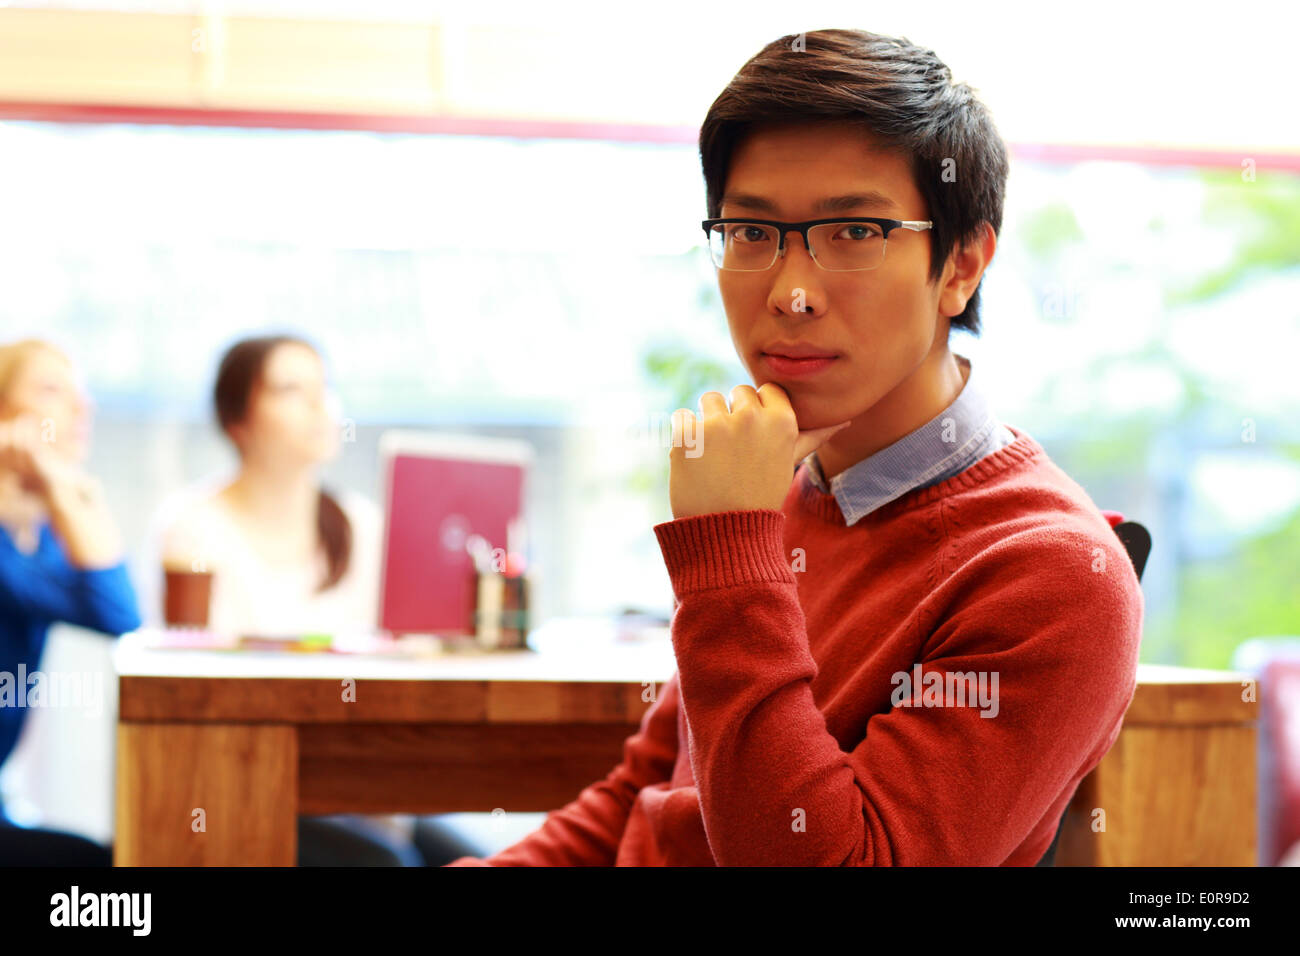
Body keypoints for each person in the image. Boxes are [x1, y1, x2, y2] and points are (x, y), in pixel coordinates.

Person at [444, 28, 1143, 866]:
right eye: (750, 233)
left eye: (853, 232)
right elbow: (644, 799)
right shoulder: (777, 488)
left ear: (962, 264)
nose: (791, 291)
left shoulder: (1054, 572)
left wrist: (731, 550)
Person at [154, 334, 426, 865]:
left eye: (325, 388)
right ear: (238, 419)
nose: (319, 405)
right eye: (289, 389)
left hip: (363, 783)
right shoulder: (192, 529)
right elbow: (194, 684)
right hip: (244, 790)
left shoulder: (364, 526)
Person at [0, 339, 141, 865]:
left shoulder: (39, 537)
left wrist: (63, 486)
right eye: (52, 390)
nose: (82, 407)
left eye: (82, 393)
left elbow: (119, 613)